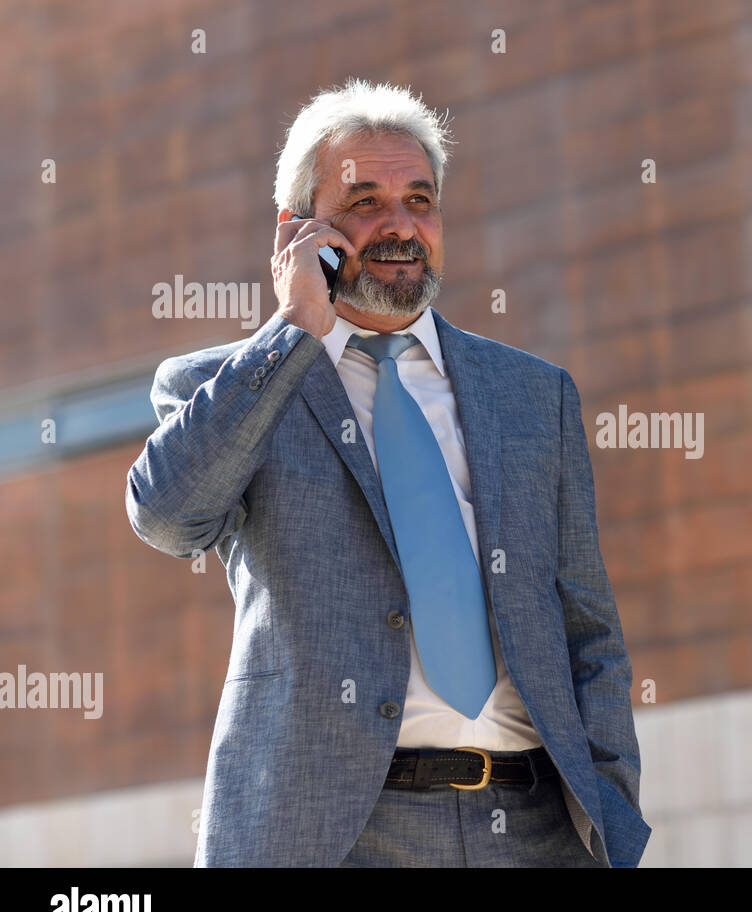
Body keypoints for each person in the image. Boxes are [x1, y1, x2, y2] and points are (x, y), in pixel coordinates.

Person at [124, 78, 650, 867]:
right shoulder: (232, 385)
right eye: (364, 201)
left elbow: (590, 626)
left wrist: (612, 810)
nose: (401, 225)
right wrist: (296, 328)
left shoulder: (535, 395)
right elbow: (166, 515)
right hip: (336, 836)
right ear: (298, 230)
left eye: (420, 199)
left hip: (537, 830)